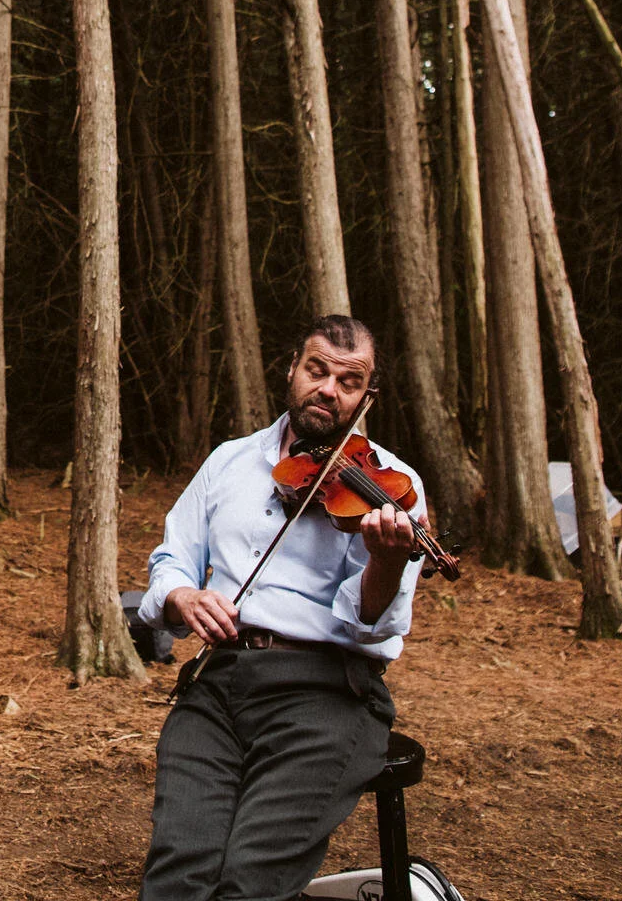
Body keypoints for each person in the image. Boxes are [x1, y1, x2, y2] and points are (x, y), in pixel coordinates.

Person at [136, 315, 427, 901]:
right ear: (292, 368)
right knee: (177, 874)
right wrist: (182, 596)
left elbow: (371, 626)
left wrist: (387, 563)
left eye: (349, 381)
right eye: (317, 370)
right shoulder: (230, 461)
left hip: (327, 695)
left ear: (364, 398)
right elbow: (172, 556)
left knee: (252, 882)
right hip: (217, 688)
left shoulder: (391, 487)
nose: (328, 389)